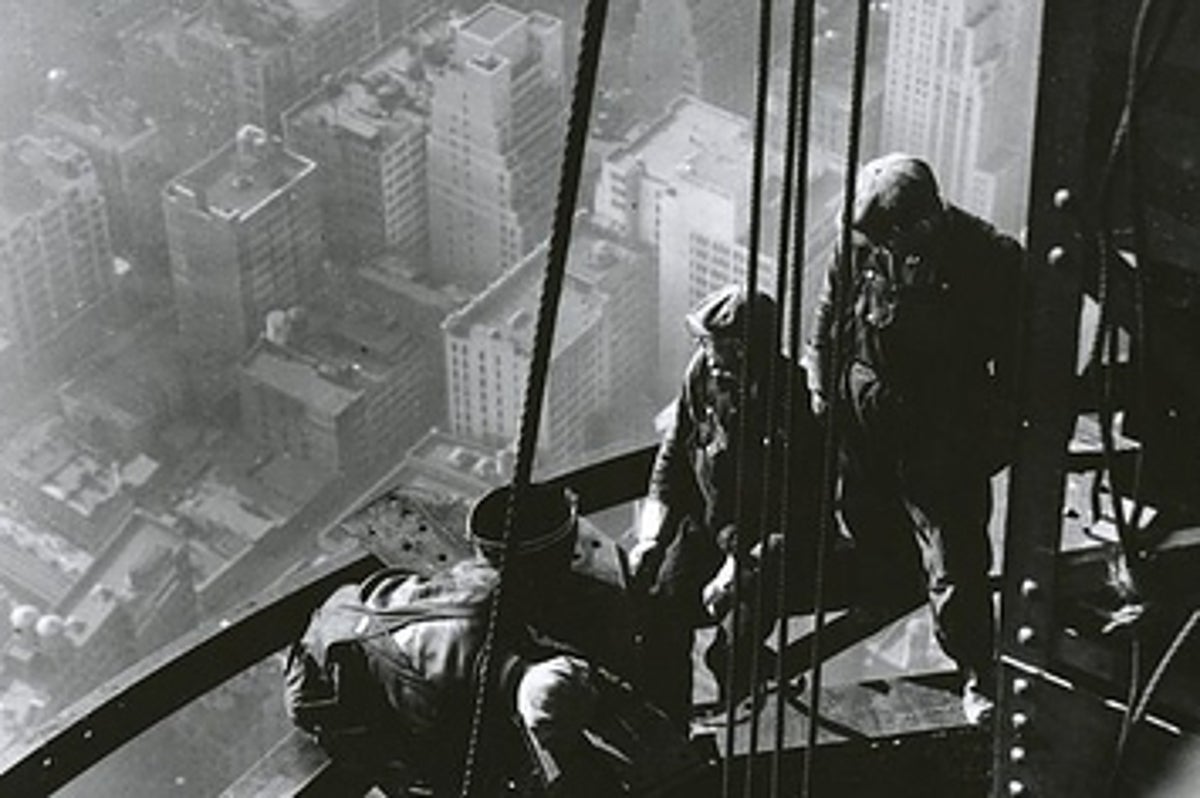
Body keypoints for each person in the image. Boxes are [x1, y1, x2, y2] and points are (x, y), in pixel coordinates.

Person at [287, 483, 699, 797]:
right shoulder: (451, 700)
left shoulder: (488, 596)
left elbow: (569, 691)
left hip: (359, 613)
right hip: (334, 673)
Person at [804, 153, 1023, 724]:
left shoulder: (989, 259)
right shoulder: (863, 244)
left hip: (941, 437)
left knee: (956, 564)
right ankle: (894, 587)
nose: (877, 248)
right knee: (864, 517)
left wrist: (984, 447)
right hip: (868, 418)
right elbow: (831, 316)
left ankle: (977, 670)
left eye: (887, 238)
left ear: (921, 223)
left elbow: (1020, 369)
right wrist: (825, 388)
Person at [629, 285, 823, 729]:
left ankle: (740, 725)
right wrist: (651, 538)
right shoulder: (703, 373)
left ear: (742, 347)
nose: (705, 349)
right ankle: (668, 728)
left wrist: (737, 573)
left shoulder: (791, 402)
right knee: (661, 614)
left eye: (713, 341)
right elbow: (675, 454)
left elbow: (801, 517)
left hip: (765, 548)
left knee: (732, 654)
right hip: (708, 524)